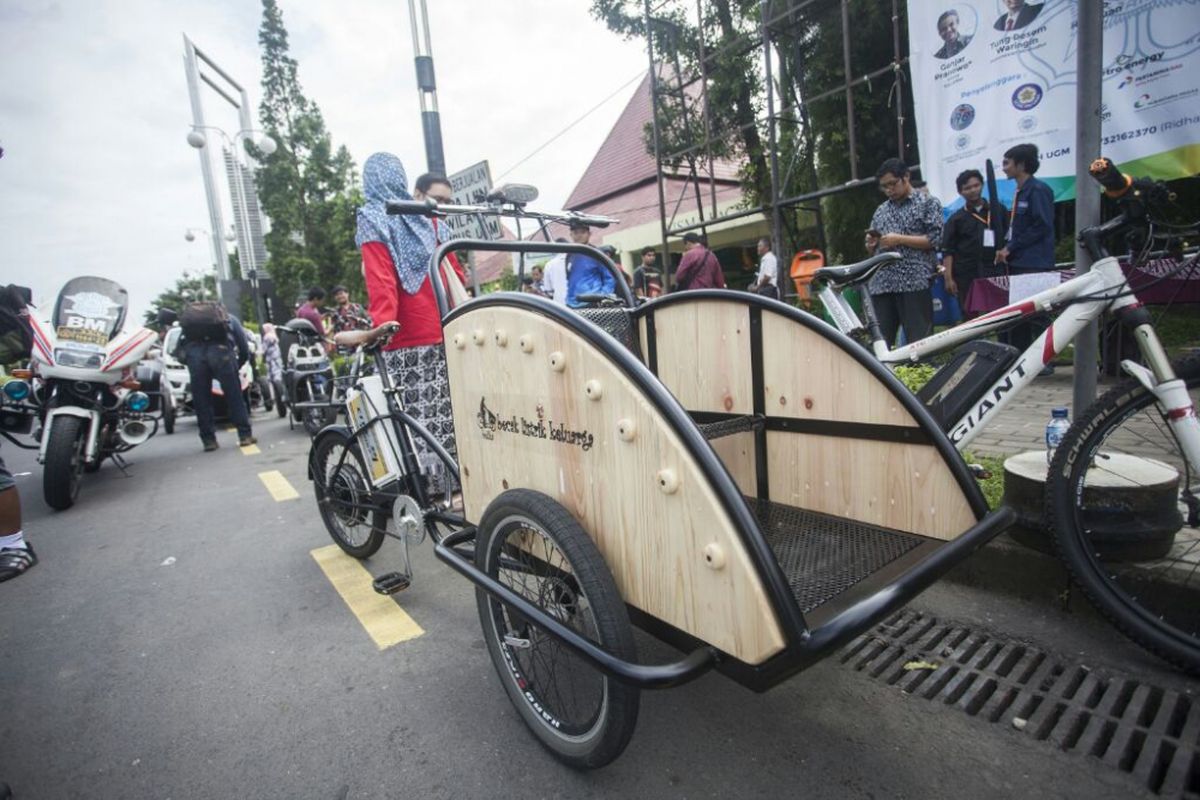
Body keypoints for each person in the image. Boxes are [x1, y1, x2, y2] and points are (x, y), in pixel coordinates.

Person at [356, 152, 466, 494]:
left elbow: (381, 281)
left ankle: (431, 492)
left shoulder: (373, 217)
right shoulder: (431, 221)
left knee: (415, 417)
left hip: (406, 336)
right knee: (448, 412)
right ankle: (456, 485)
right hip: (446, 328)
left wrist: (382, 328)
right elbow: (456, 275)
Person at [866, 158, 943, 346]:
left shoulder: (927, 203)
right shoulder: (881, 210)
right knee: (881, 344)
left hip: (913, 282)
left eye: (892, 184)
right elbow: (872, 248)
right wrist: (871, 244)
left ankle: (920, 375)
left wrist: (899, 239)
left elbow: (935, 240)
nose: (889, 190)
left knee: (920, 343)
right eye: (884, 187)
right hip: (882, 283)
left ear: (906, 177)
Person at [996, 142, 1057, 372]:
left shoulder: (1038, 190)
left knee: (1039, 314)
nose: (1004, 168)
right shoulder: (1019, 191)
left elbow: (1041, 225)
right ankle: (1021, 360)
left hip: (1036, 261)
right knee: (1021, 314)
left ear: (1021, 164)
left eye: (1007, 163)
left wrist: (1012, 247)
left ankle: (1045, 361)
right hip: (1020, 262)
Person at [179, 304, 256, 450]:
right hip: (222, 355)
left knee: (202, 400)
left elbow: (181, 345)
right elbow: (243, 345)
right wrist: (239, 363)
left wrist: (188, 360)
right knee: (235, 397)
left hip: (196, 357)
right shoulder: (229, 319)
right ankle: (245, 435)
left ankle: (209, 441)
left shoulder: (190, 323)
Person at [942, 169, 1008, 314]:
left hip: (994, 269)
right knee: (969, 314)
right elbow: (948, 250)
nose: (972, 190)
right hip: (966, 274)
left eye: (976, 185)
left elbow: (1009, 236)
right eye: (967, 188)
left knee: (999, 312)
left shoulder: (999, 210)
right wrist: (948, 278)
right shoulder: (955, 219)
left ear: (982, 185)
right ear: (960, 192)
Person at [565, 221, 617, 307]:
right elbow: (570, 279)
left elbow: (610, 279)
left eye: (583, 232)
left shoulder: (596, 253)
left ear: (589, 234)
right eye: (576, 233)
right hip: (571, 304)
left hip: (592, 303)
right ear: (571, 235)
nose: (579, 235)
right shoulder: (569, 255)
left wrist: (602, 297)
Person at [542, 238, 570, 306]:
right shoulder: (576, 261)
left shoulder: (549, 265)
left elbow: (548, 290)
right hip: (578, 304)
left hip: (558, 306)